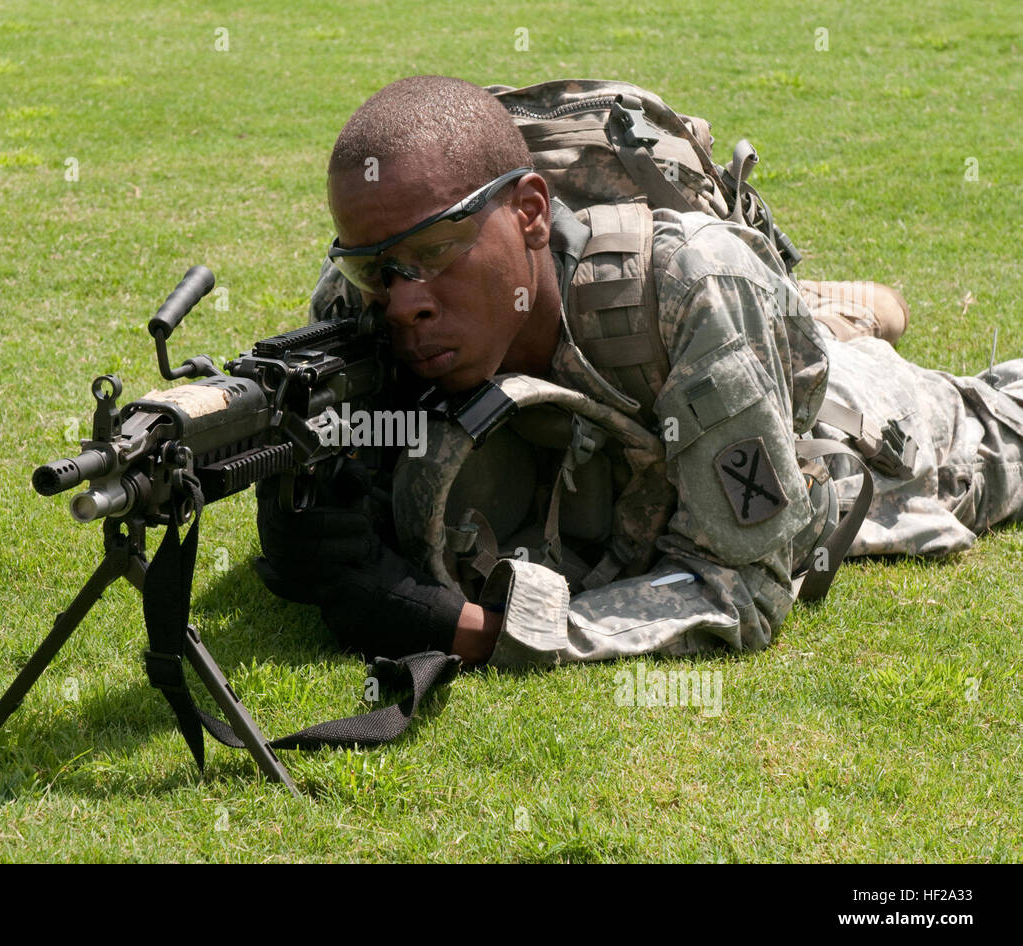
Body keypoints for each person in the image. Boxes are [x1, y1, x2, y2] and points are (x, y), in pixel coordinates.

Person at [254, 75, 1023, 669]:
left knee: (991, 433)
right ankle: (818, 310)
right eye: (373, 267)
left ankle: (817, 325)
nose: (403, 301)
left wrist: (473, 630)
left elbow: (743, 589)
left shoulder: (692, 283)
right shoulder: (361, 308)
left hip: (809, 407)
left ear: (528, 212)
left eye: (434, 251)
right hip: (669, 393)